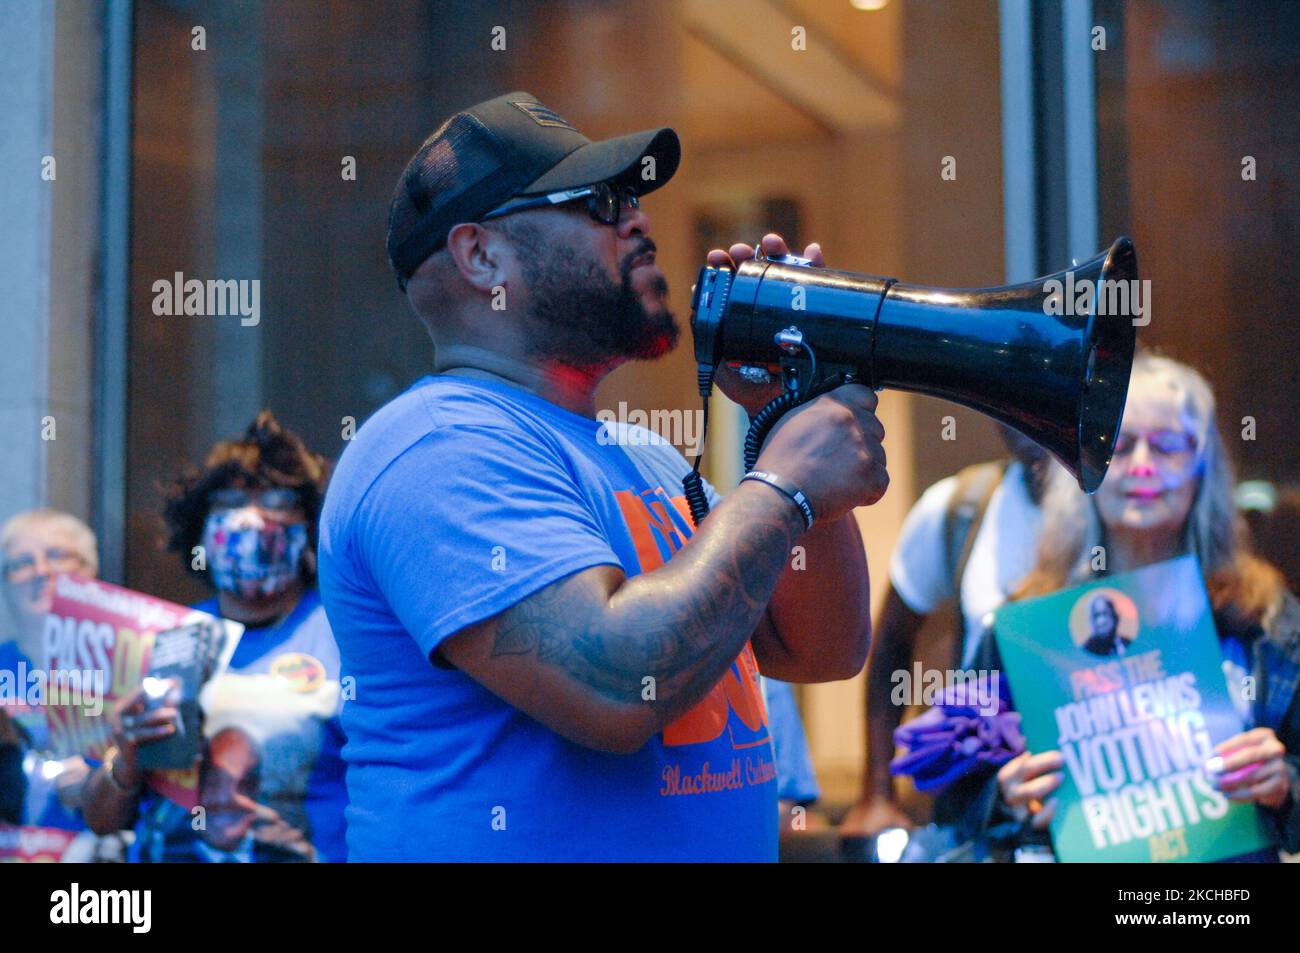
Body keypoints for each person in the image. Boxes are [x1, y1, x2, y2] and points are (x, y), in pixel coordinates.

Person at [319, 91, 889, 861]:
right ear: (480, 255)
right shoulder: (434, 447)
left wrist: (785, 414)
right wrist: (783, 485)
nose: (639, 219)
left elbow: (819, 646)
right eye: (599, 201)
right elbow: (617, 686)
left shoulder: (641, 453)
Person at [990, 353, 1299, 858]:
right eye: (1118, 444)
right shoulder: (1029, 623)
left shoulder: (1265, 616)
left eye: (1168, 445)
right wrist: (1006, 797)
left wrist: (1283, 782)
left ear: (1204, 469)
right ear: (1083, 463)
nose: (1141, 466)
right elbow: (958, 792)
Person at [81, 411, 347, 862]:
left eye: (276, 501)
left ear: (308, 529)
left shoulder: (346, 636)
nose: (249, 520)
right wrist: (124, 760)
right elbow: (101, 818)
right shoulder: (159, 637)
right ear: (200, 529)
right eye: (229, 503)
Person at [842, 427, 1050, 836]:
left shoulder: (1130, 510)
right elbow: (890, 646)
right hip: (983, 810)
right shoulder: (959, 509)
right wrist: (879, 794)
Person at [0, 510, 99, 846]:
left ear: (91, 571)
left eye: (57, 556)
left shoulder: (137, 667)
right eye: (22, 563)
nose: (41, 571)